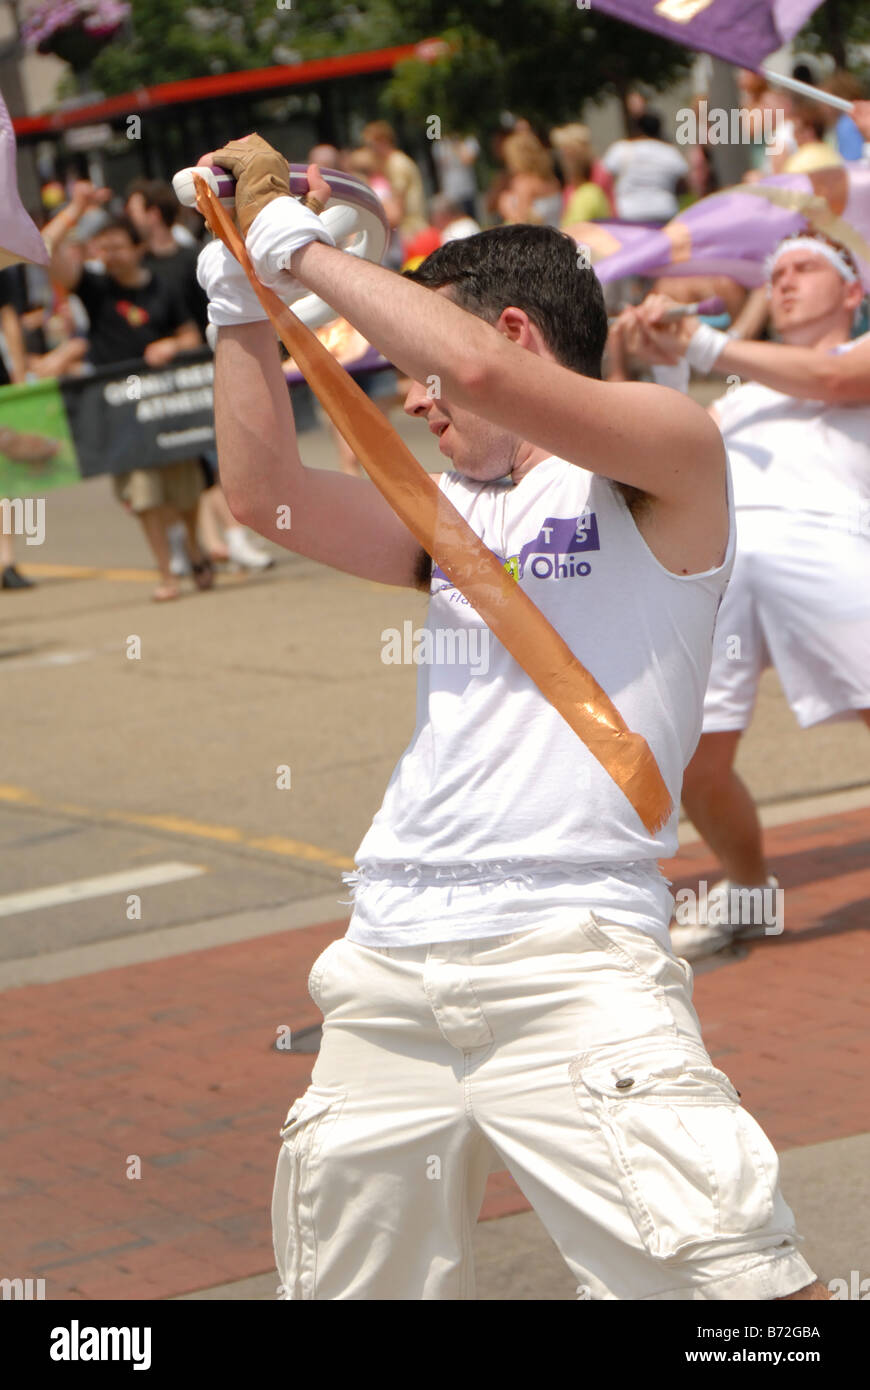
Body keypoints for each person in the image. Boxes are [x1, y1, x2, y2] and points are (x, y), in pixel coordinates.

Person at [194, 133, 828, 1301]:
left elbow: (478, 379)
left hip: (573, 950)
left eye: (413, 371)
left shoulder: (665, 452)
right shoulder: (449, 513)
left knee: (735, 1291)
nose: (416, 401)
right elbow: (264, 497)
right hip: (385, 959)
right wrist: (241, 299)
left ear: (513, 332)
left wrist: (297, 248)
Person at [621, 231, 870, 960]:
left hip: (827, 543)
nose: (785, 280)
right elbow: (663, 456)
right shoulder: (739, 396)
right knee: (693, 757)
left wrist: (700, 342)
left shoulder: (852, 356)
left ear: (852, 291)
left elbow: (831, 382)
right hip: (721, 559)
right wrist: (646, 355)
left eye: (805, 268)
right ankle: (751, 892)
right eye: (777, 271)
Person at [47, 184, 212, 602]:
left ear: (139, 248)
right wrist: (77, 209)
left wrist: (171, 346)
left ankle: (193, 548)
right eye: (103, 247)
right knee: (143, 496)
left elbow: (191, 334)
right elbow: (45, 252)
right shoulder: (94, 287)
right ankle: (166, 574)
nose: (110, 254)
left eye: (118, 246)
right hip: (120, 408)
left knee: (185, 492)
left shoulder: (162, 287)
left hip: (165, 403)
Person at [601, 113, 689, 224]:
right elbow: (684, 185)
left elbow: (604, 177)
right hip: (663, 209)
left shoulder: (621, 149)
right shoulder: (669, 151)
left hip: (628, 211)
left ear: (638, 129)